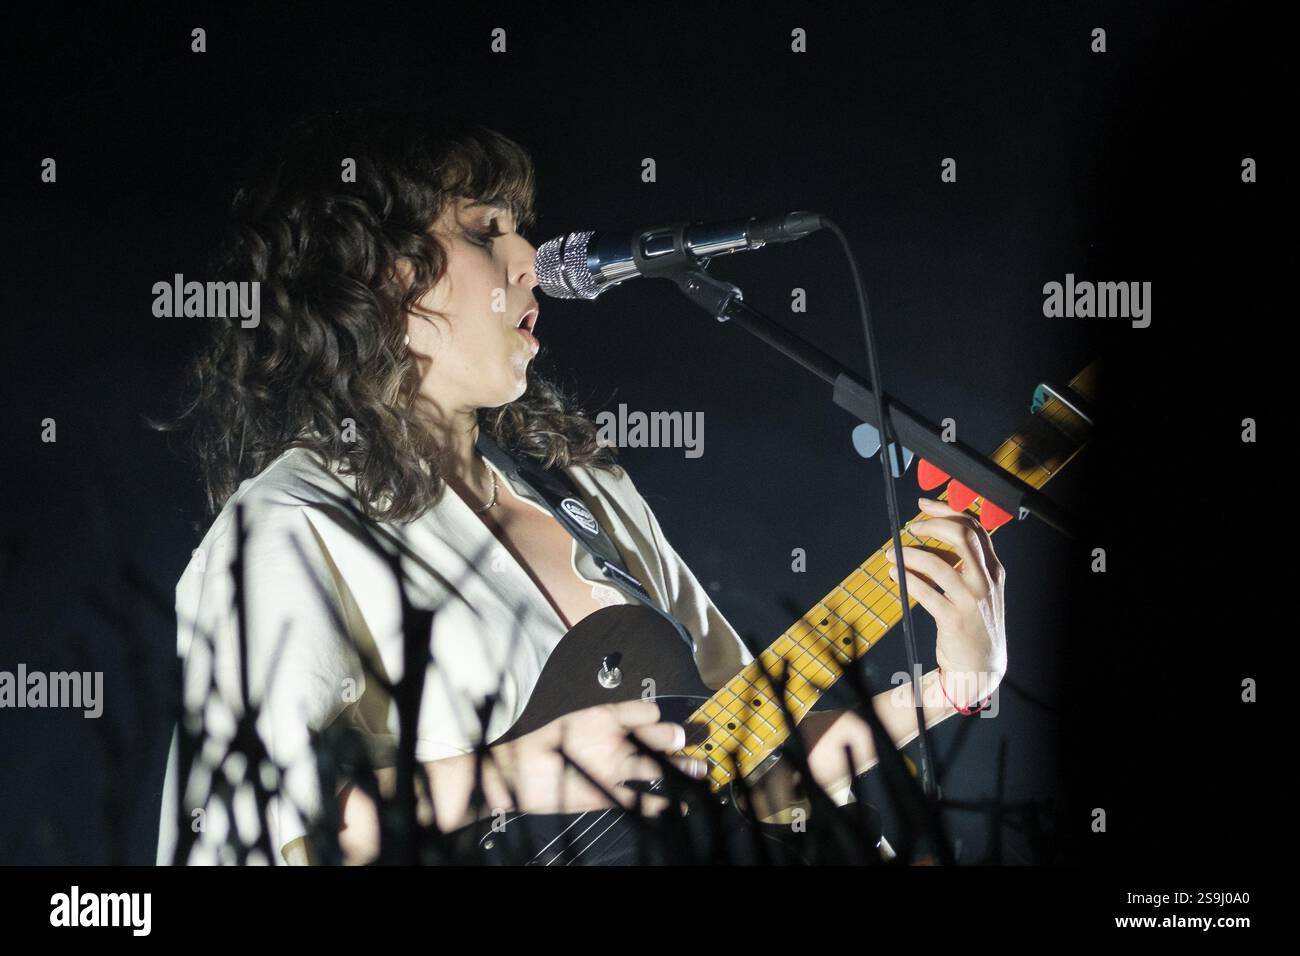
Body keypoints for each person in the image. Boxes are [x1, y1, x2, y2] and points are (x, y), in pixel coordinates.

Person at [152, 105, 1007, 865]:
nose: (529, 258)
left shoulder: (586, 490)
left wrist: (951, 687)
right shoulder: (289, 526)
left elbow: (748, 757)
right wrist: (512, 775)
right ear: (380, 280)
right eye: (486, 232)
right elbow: (237, 821)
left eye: (520, 227)